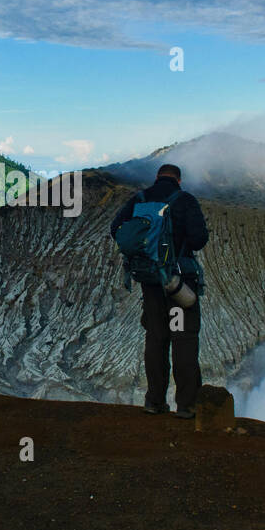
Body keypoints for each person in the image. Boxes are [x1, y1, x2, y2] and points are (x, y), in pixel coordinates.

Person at [109, 163, 209, 419]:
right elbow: (199, 239)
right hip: (178, 283)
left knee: (156, 339)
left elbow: (116, 229)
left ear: (157, 177)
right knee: (183, 339)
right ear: (179, 179)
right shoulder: (185, 200)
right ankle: (187, 405)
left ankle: (154, 401)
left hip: (150, 282)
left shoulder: (140, 199)